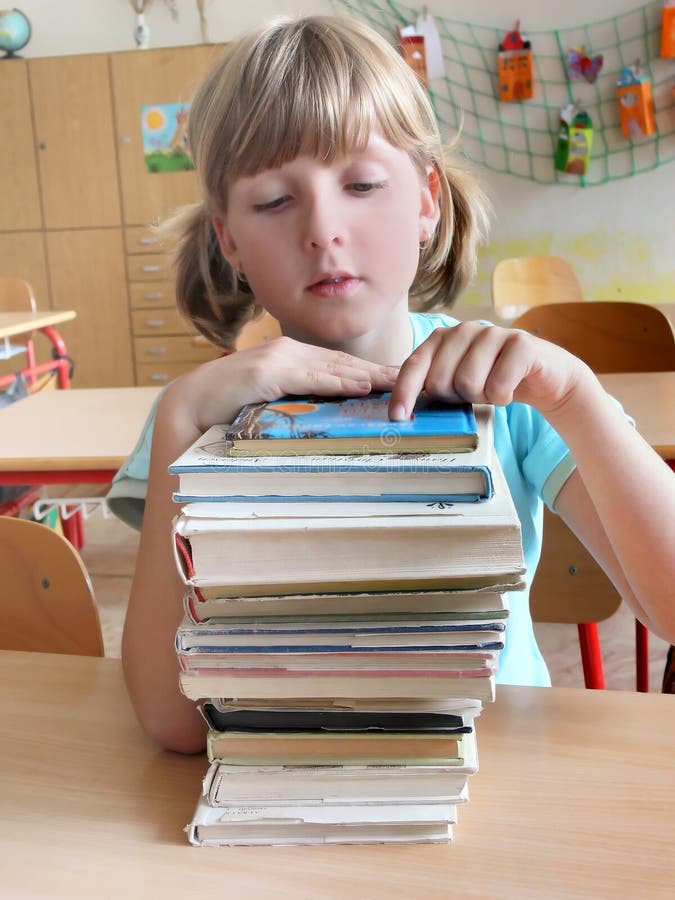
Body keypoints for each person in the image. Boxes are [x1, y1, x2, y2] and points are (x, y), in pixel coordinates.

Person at [111, 15, 675, 753]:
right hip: (285, 769)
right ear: (229, 241)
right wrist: (181, 413)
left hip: (487, 765)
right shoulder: (202, 413)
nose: (322, 229)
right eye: (275, 201)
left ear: (424, 200)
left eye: (363, 183)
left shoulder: (507, 394)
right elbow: (170, 722)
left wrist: (571, 394)